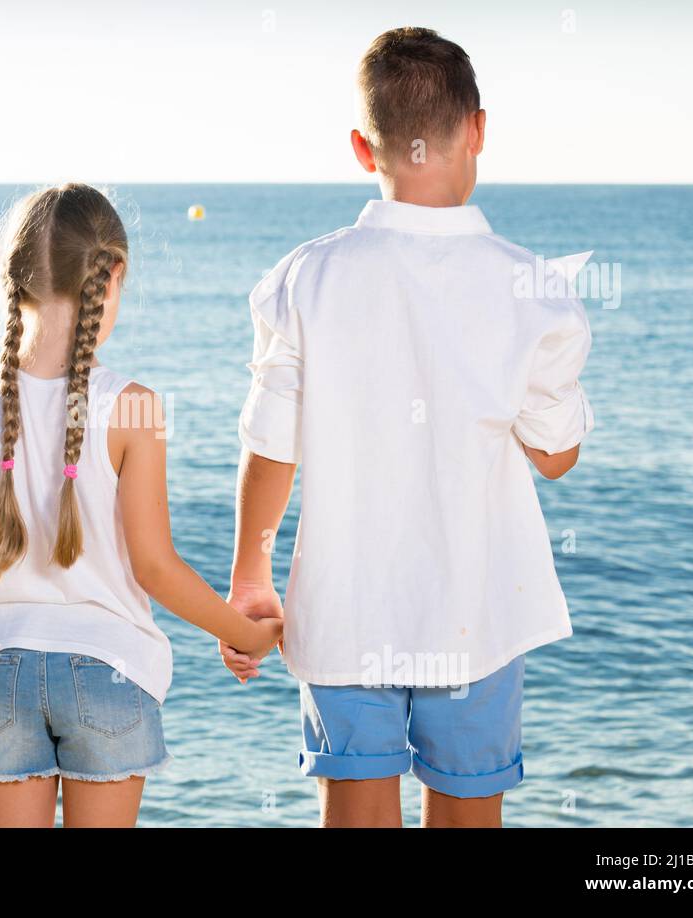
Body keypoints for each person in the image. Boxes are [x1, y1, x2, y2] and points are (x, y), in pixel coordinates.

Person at [221, 27, 595, 828]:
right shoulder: (528, 286)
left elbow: (270, 448)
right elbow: (557, 455)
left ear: (363, 146)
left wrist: (251, 576)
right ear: (479, 129)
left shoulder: (303, 279)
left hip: (345, 605)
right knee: (467, 814)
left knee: (355, 814)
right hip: (476, 614)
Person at [0, 183, 282, 828]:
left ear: (11, 281)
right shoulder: (135, 405)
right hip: (109, 673)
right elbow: (155, 566)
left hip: (2, 676)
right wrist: (243, 633)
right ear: (114, 276)